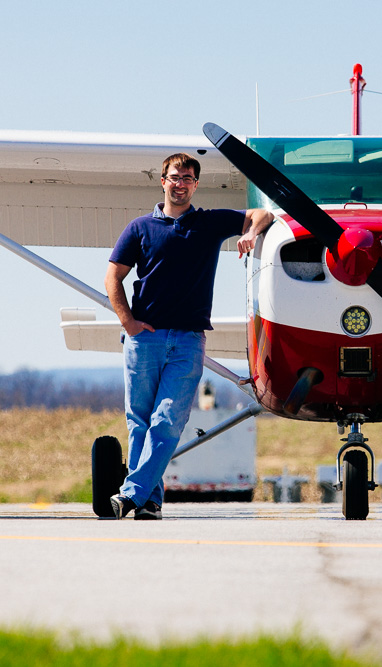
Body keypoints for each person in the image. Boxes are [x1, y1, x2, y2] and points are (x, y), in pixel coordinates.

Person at [105, 153, 274, 520]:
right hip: (143, 339)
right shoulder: (139, 228)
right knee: (139, 421)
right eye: (174, 177)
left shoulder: (210, 223)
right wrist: (128, 323)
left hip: (188, 340)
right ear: (162, 181)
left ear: (195, 185)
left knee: (166, 420)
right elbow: (112, 278)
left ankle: (131, 494)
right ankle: (150, 501)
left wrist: (249, 233)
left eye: (187, 178)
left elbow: (263, 215)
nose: (179, 183)